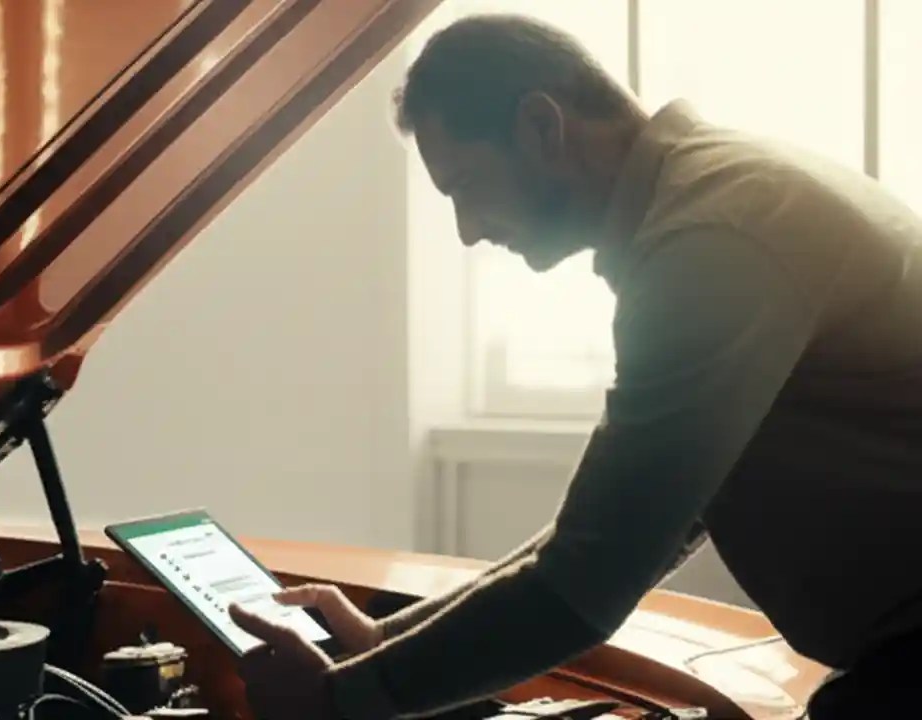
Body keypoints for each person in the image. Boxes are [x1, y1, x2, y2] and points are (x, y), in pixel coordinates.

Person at [227, 12, 922, 720]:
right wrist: (384, 640)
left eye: (465, 185)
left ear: (540, 127)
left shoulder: (712, 243)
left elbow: (590, 575)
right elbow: (636, 513)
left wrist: (341, 701)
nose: (467, 230)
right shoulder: (711, 200)